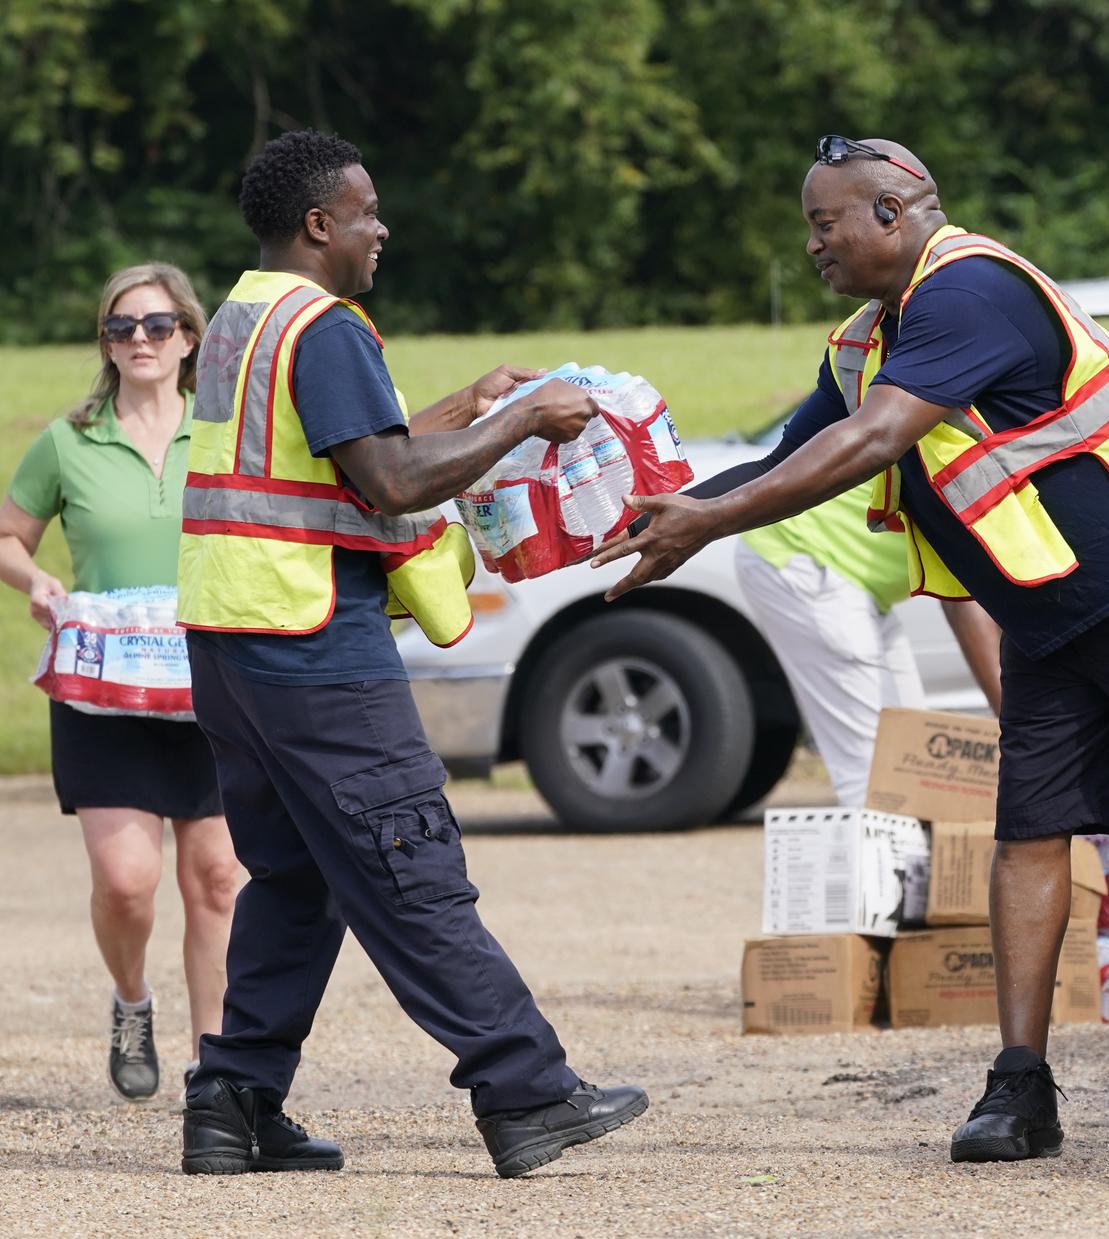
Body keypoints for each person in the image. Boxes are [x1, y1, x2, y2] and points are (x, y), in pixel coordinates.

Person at [593, 136, 1109, 1160]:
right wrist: (669, 512)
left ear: (895, 211)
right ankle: (1020, 1088)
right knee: (1030, 832)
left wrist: (706, 529)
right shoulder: (864, 340)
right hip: (1052, 608)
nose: (812, 244)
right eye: (809, 224)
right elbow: (797, 450)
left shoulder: (969, 289)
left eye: (824, 221)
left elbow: (874, 442)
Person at [174, 130, 643, 1179]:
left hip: (231, 645)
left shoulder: (242, 320)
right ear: (319, 224)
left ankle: (233, 1103)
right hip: (313, 646)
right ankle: (527, 1092)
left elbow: (346, 456)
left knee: (295, 879)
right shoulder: (328, 328)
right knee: (410, 862)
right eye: (368, 211)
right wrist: (525, 415)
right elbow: (388, 483)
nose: (382, 229)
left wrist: (470, 406)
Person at [0, 263, 240, 1102]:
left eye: (158, 324)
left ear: (189, 337)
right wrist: (35, 581)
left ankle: (218, 1064)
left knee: (215, 876)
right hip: (103, 682)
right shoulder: (69, 438)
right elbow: (8, 536)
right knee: (128, 883)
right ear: (105, 341)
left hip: (209, 678)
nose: (139, 338)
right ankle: (131, 1000)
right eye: (121, 326)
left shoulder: (223, 430)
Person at [737, 490, 1002, 806]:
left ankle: (909, 852)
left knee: (911, 751)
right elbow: (963, 601)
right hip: (806, 558)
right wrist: (1013, 721)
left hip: (858, 584)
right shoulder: (975, 465)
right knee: (873, 770)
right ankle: (887, 854)